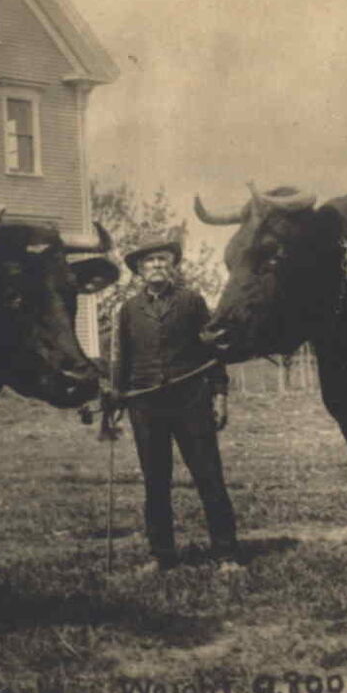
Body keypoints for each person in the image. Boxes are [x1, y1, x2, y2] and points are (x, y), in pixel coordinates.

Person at [108, 232, 241, 573]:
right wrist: (115, 406)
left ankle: (226, 554)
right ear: (138, 269)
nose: (157, 265)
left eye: (163, 260)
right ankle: (161, 555)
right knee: (155, 480)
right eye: (149, 261)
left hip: (191, 401)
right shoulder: (129, 310)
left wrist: (220, 395)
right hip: (145, 405)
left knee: (208, 475)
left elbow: (213, 352)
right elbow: (122, 359)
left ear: (171, 267)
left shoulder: (192, 301)